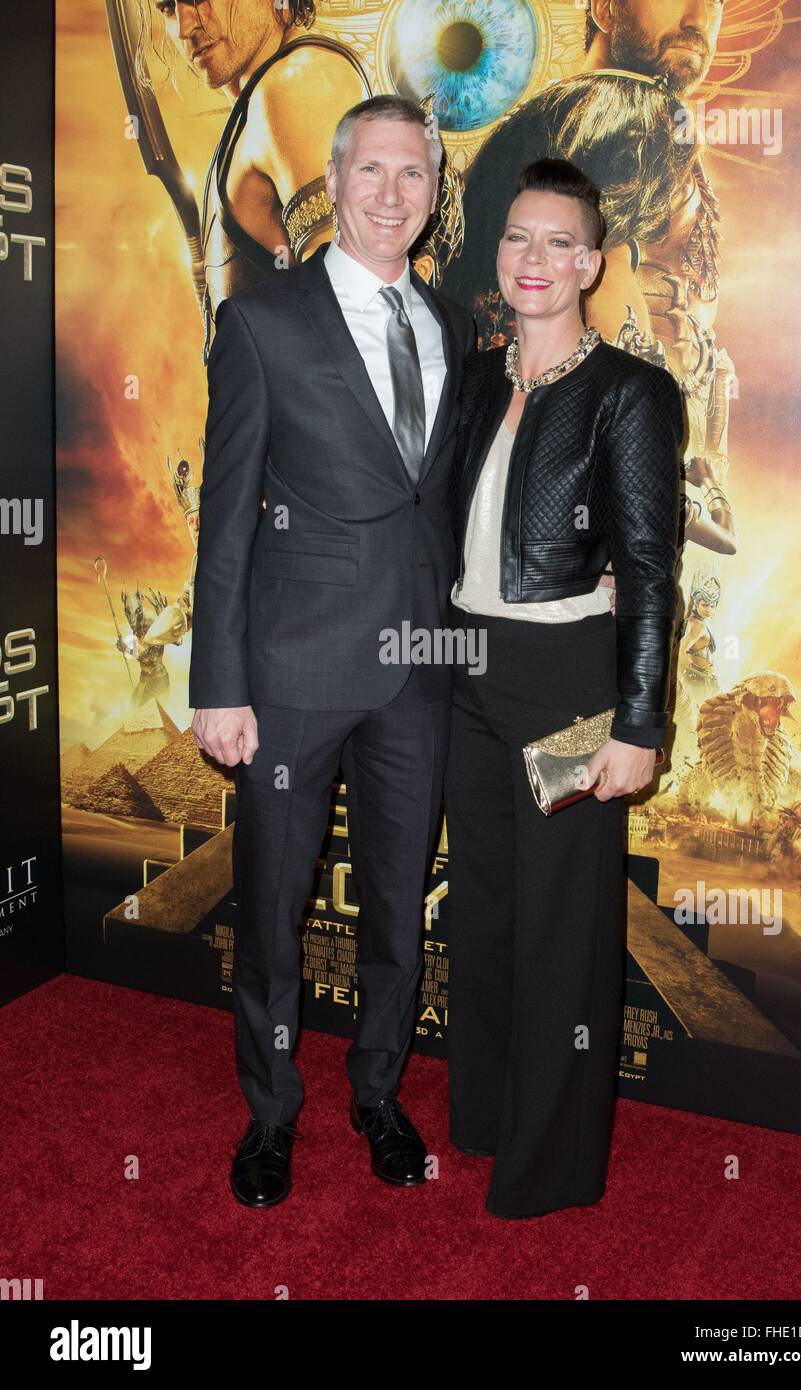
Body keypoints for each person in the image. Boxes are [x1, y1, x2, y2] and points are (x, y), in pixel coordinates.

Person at [189, 95, 476, 1209]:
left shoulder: (451, 325)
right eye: (372, 171)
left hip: (418, 671)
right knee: (271, 908)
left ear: (434, 191)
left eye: (413, 174)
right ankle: (269, 1112)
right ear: (335, 176)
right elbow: (223, 519)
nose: (392, 194)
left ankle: (377, 1092)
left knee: (397, 905)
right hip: (290, 677)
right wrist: (220, 683)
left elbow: (436, 504)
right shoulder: (262, 322)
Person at [445, 157, 684, 1218]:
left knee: (558, 925)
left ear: (589, 260)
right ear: (495, 255)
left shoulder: (630, 392)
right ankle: (487, 1118)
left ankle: (545, 1167)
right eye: (514, 239)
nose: (531, 260)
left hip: (565, 682)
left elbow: (649, 566)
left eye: (555, 242)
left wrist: (638, 721)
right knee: (485, 907)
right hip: (466, 669)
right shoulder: (473, 374)